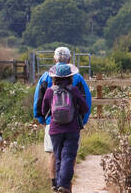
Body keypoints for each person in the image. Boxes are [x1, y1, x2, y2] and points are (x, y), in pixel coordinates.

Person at [32, 46, 92, 176]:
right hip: (73, 122)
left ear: (54, 59)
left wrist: (41, 119)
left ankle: (54, 182)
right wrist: (83, 120)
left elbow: (39, 99)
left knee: (53, 153)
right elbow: (86, 100)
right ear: (69, 59)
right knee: (70, 153)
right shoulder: (77, 77)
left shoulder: (46, 76)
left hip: (51, 122)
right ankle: (66, 182)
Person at [42, 64, 86, 193]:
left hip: (55, 129)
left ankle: (57, 183)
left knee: (57, 154)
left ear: (54, 77)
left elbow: (44, 110)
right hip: (72, 128)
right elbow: (85, 107)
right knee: (69, 156)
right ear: (70, 77)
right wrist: (77, 112)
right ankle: (64, 184)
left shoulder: (50, 91)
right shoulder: (74, 90)